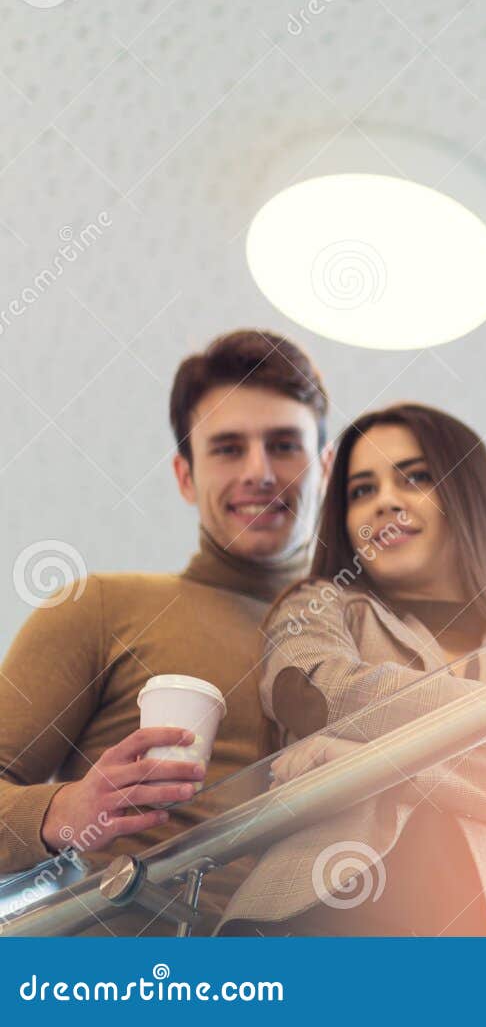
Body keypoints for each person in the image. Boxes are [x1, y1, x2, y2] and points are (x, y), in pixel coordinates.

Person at [218, 403, 486, 937]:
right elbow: (327, 698)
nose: (385, 501)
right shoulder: (318, 606)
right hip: (322, 920)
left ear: (467, 498)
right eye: (361, 490)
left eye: (413, 478)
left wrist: (373, 762)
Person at [0, 330, 332, 933]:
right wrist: (63, 811)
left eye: (284, 445)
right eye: (229, 449)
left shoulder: (362, 652)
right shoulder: (97, 606)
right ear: (185, 475)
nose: (260, 472)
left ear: (326, 468)